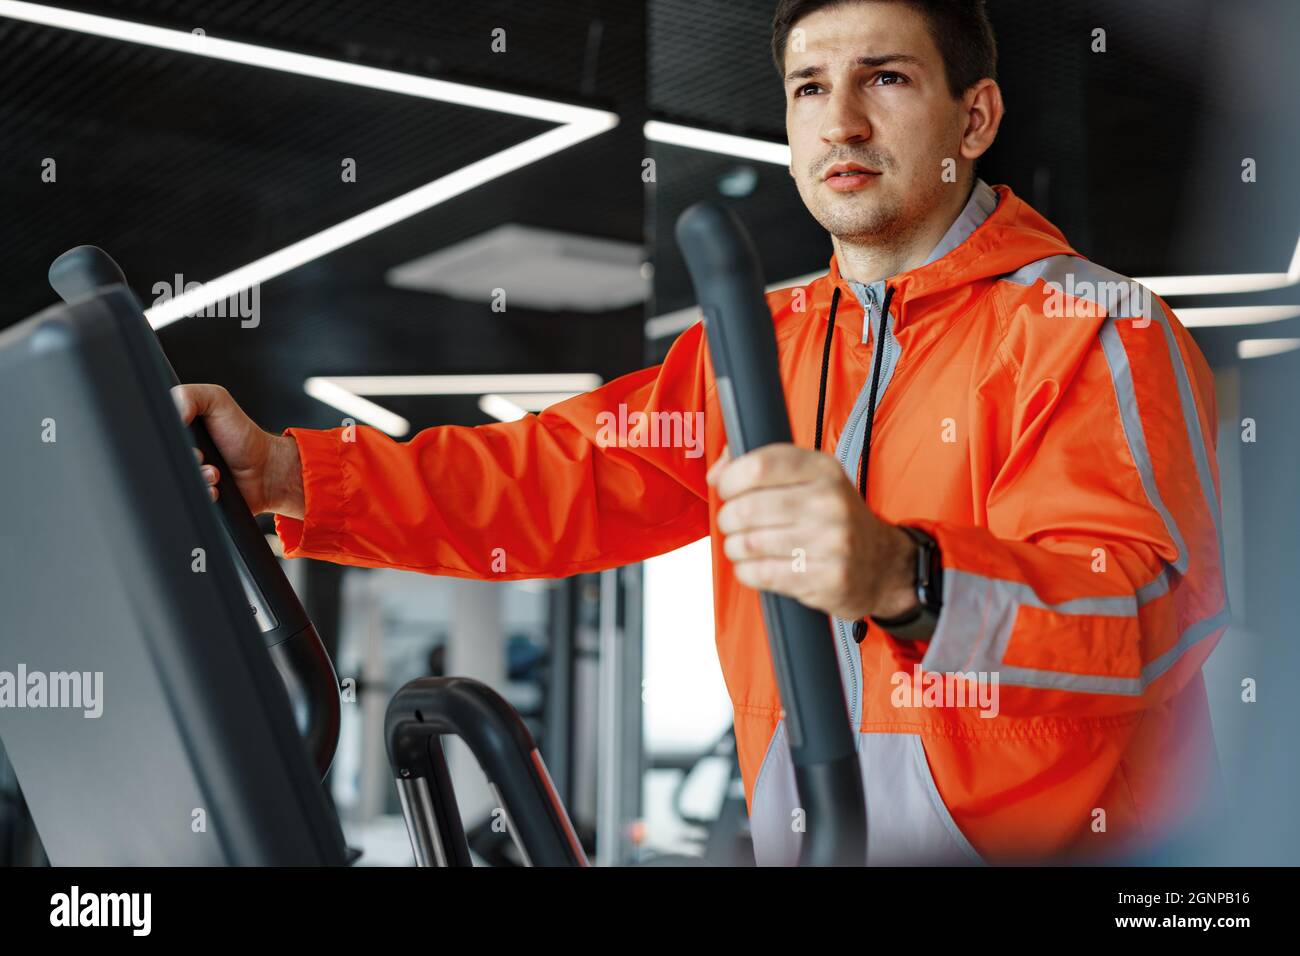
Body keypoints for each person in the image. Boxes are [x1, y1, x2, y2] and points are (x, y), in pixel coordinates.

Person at [173, 0, 1228, 865]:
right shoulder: (756, 346)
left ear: (975, 116)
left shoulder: (1088, 325)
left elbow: (1145, 610)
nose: (841, 121)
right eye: (810, 88)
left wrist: (908, 577)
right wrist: (287, 472)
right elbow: (555, 477)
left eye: (887, 78)